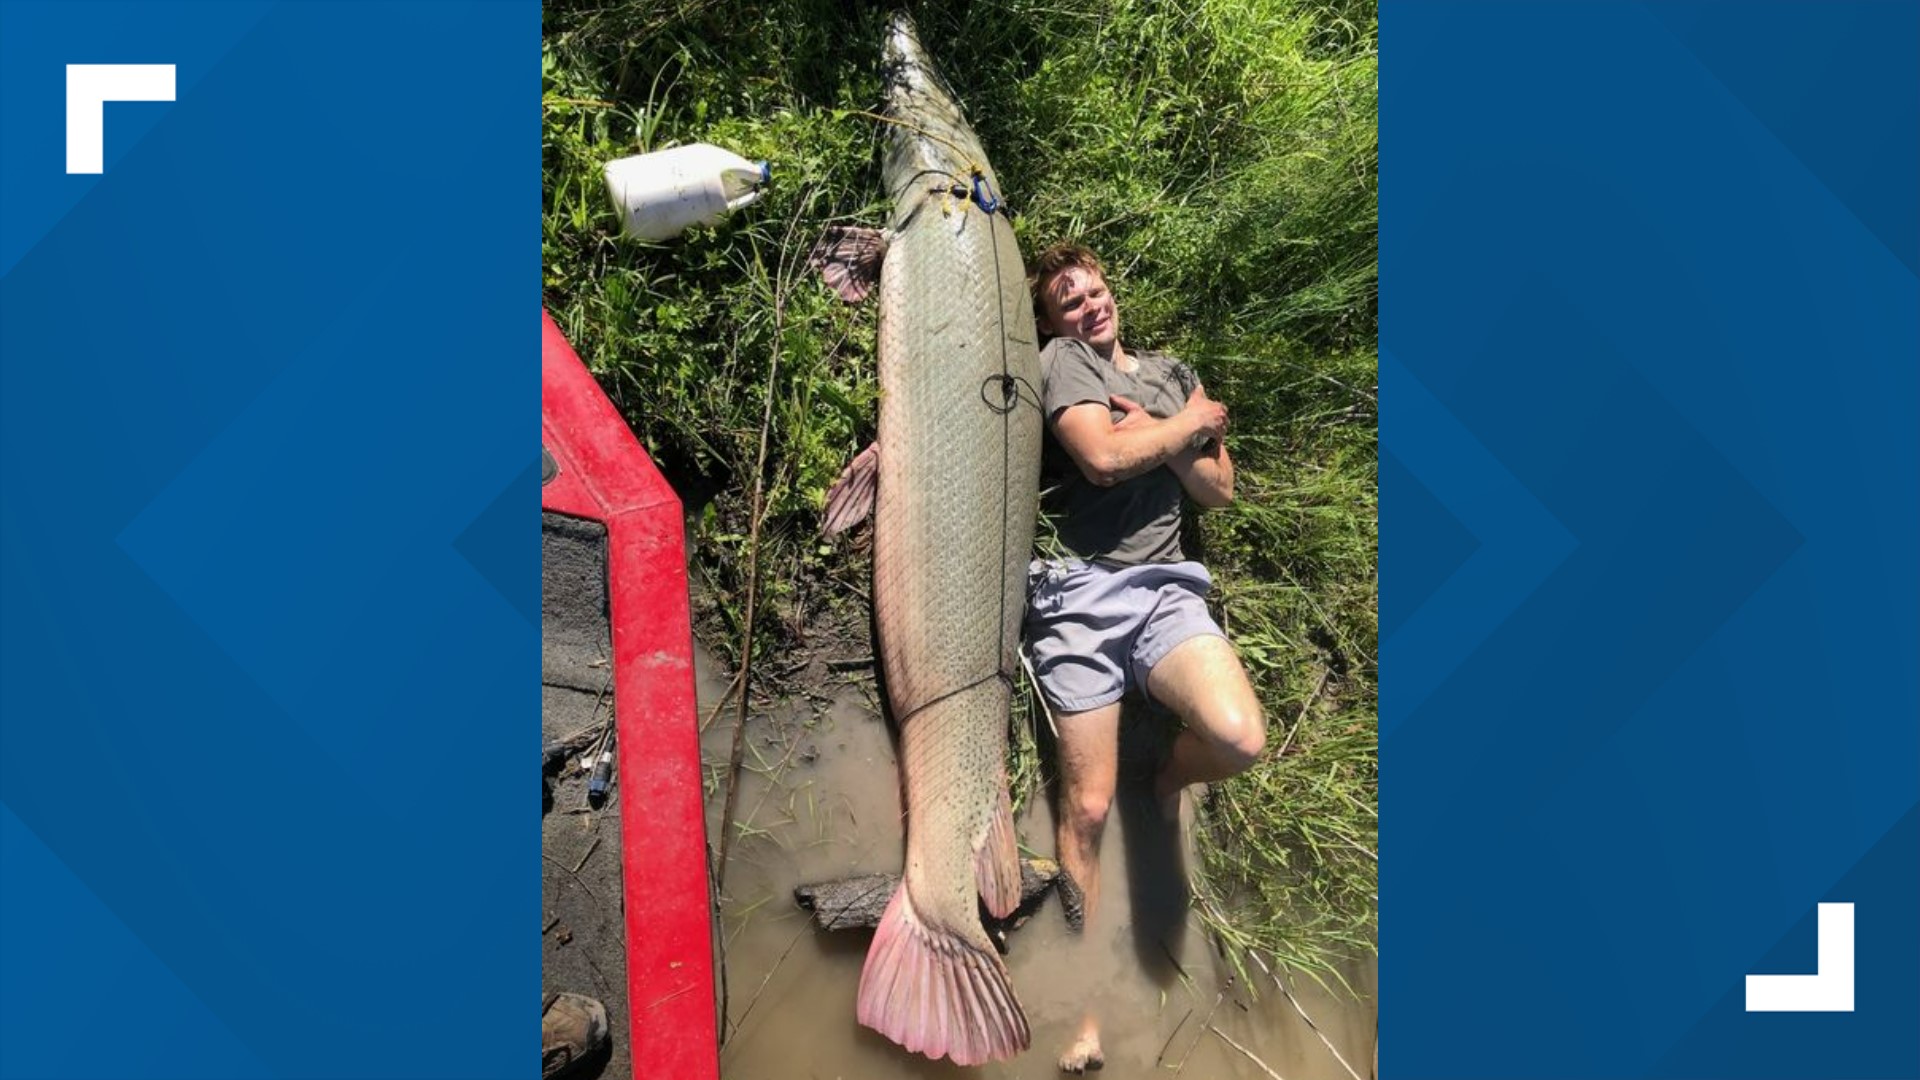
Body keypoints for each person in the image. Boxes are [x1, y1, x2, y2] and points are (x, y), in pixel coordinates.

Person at [1022, 242, 1267, 1073]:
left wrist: (1164, 430)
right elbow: (1099, 459)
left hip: (1167, 589)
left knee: (1239, 739)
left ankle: (1164, 779)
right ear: (1052, 322)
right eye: (1069, 300)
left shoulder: (1170, 373)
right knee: (1085, 810)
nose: (1089, 306)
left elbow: (1219, 491)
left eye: (1094, 291)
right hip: (1081, 594)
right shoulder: (1062, 364)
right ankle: (1082, 1007)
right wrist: (1186, 430)